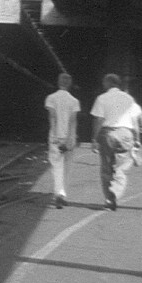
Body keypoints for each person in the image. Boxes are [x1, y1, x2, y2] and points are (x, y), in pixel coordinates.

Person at [90, 73, 142, 211]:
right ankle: (116, 191)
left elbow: (99, 121)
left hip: (107, 134)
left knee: (106, 168)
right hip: (126, 134)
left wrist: (94, 139)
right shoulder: (129, 99)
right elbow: (135, 122)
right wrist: (137, 139)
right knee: (121, 167)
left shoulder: (101, 98)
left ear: (107, 84)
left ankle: (109, 199)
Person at [44, 72, 81, 208]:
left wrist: (54, 136)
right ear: (69, 84)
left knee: (57, 166)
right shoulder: (74, 101)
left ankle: (59, 193)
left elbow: (52, 117)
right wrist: (72, 138)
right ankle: (62, 194)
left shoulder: (51, 98)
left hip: (56, 136)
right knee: (67, 167)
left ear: (58, 82)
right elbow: (73, 121)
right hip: (69, 137)